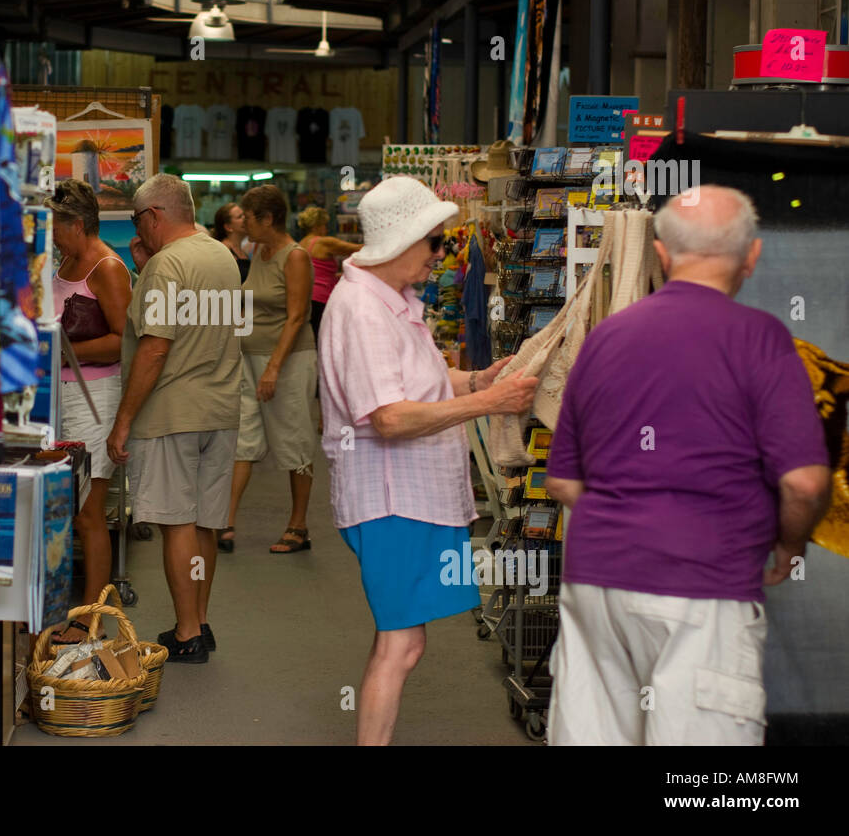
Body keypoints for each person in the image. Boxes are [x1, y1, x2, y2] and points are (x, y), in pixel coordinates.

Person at [544, 185, 830, 746]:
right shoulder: (761, 340)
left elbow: (562, 479)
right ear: (752, 255)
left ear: (662, 253)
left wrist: (633, 518)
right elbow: (804, 480)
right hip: (704, 584)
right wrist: (790, 543)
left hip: (596, 581)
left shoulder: (607, 338)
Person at [318, 176, 537, 746]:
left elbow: (422, 384)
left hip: (411, 500)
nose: (442, 254)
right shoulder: (365, 312)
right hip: (394, 501)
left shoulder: (391, 305)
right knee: (402, 643)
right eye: (435, 242)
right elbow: (388, 417)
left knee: (401, 640)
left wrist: (476, 381)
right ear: (401, 240)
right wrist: (488, 403)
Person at [107, 173, 243, 664]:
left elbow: (155, 348)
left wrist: (123, 420)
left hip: (172, 412)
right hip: (222, 408)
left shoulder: (168, 265)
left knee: (175, 522)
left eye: (137, 222)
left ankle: (185, 633)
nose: (136, 234)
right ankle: (200, 622)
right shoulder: (220, 255)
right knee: (205, 523)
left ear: (153, 216)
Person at [46, 179, 133, 643]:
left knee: (88, 512)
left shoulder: (108, 267)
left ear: (78, 224)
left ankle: (91, 619)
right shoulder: (65, 258)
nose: (51, 233)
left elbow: (124, 339)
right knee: (66, 509)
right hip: (59, 397)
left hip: (93, 400)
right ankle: (69, 608)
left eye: (57, 226)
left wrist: (63, 355)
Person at [220, 185, 318, 555]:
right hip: (251, 357)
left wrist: (274, 368)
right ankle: (225, 522)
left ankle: (299, 526)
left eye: (249, 218)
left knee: (294, 439)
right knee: (243, 437)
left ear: (269, 218)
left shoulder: (296, 257)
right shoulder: (259, 251)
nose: (244, 225)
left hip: (289, 359)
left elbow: (296, 317)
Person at [297, 206, 361, 343]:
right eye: (325, 225)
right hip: (322, 299)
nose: (326, 229)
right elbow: (356, 249)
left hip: (307, 297)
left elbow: (318, 271)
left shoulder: (301, 244)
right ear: (318, 225)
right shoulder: (324, 242)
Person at [213, 202, 250, 282]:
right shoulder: (223, 251)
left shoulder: (242, 250)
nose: (245, 219)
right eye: (240, 217)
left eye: (244, 215)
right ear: (228, 227)